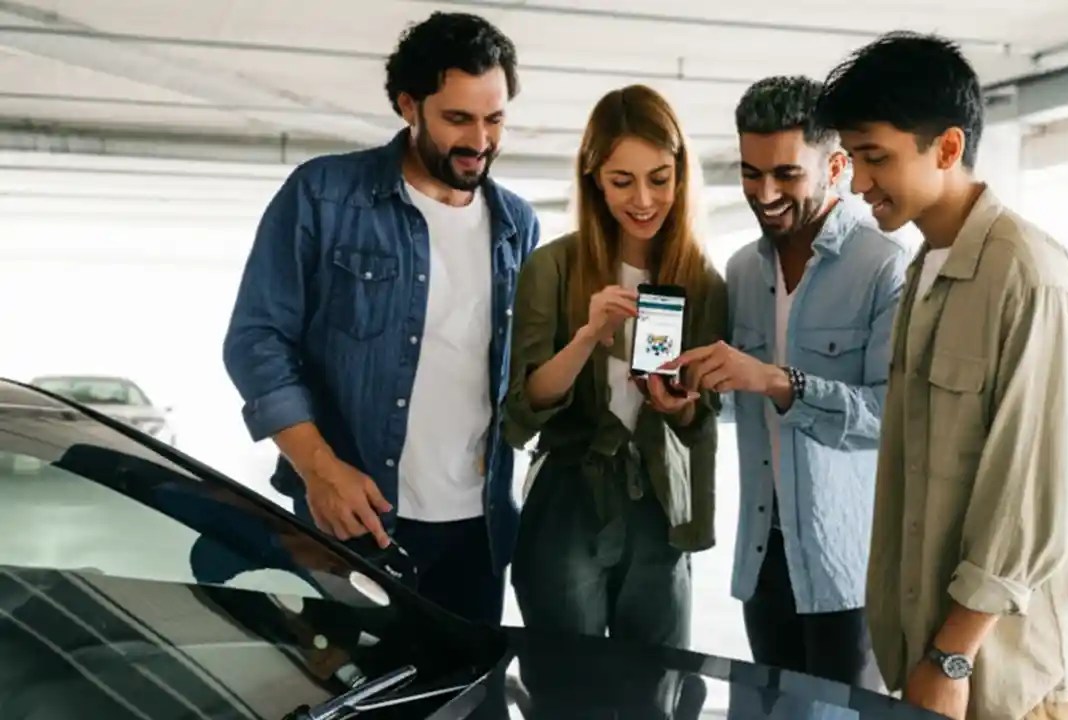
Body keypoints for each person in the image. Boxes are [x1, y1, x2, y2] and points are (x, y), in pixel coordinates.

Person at [813, 32, 1068, 720]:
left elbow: (1030, 498)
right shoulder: (925, 267)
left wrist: (952, 655)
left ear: (947, 149)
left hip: (1013, 676)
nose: (859, 182)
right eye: (852, 159)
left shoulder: (1029, 276)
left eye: (876, 158)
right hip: (939, 665)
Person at [221, 12, 540, 626]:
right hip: (352, 522)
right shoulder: (324, 194)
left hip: (479, 530)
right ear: (408, 106)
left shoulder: (516, 225)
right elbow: (256, 340)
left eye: (494, 119)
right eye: (457, 119)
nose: (480, 140)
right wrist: (319, 468)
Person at [667, 76, 908, 688]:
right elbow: (738, 400)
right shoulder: (744, 269)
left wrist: (781, 382)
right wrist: (694, 394)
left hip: (847, 568)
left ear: (835, 166)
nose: (764, 193)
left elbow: (892, 416)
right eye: (751, 172)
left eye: (785, 175)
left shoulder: (886, 264)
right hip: (763, 560)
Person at [502, 84, 726, 652]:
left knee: (656, 690)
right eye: (622, 181)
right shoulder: (552, 267)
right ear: (594, 179)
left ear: (680, 176)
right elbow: (523, 410)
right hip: (568, 499)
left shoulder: (702, 282)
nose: (644, 200)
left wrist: (679, 405)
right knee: (567, 685)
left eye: (659, 178)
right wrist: (586, 338)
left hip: (657, 502)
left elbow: (702, 425)